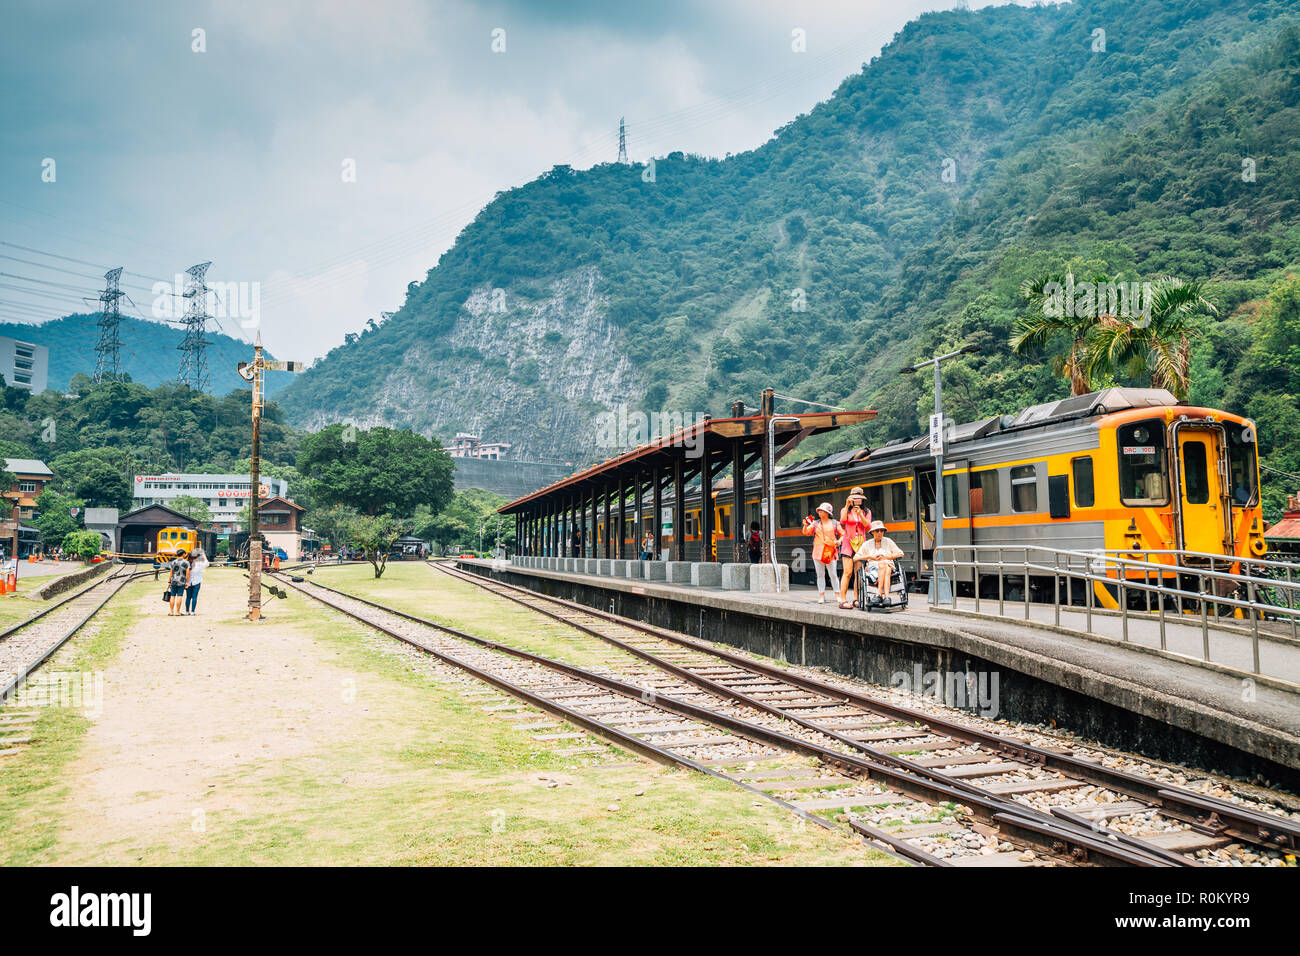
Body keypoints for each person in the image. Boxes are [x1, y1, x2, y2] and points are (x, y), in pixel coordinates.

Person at [837, 487, 872, 609]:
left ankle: (856, 599)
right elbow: (842, 521)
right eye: (854, 499)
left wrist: (860, 515)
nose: (857, 501)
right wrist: (847, 507)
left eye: (859, 499)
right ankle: (843, 600)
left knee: (858, 573)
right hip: (848, 544)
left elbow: (868, 527)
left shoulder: (867, 511)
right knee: (847, 572)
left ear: (862, 500)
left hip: (861, 545)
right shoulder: (845, 510)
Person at [854, 520, 904, 604]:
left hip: (888, 565)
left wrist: (887, 557)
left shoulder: (888, 541)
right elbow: (855, 558)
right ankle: (887, 597)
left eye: (882, 530)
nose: (879, 533)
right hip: (873, 568)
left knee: (884, 564)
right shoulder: (867, 544)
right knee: (884, 566)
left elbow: (901, 553)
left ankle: (879, 594)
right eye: (877, 531)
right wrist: (870, 556)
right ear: (872, 532)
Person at [801, 503, 841, 603]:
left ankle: (837, 595)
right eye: (819, 510)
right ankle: (821, 596)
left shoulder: (835, 523)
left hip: (830, 552)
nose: (819, 512)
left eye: (821, 510)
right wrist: (805, 525)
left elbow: (843, 534)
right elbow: (806, 532)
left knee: (833, 574)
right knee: (820, 575)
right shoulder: (815, 524)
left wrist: (839, 541)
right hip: (818, 552)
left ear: (827, 513)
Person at [166, 548, 190, 617]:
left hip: (173, 581)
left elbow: (171, 573)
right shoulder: (186, 562)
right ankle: (177, 612)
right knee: (179, 596)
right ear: (183, 554)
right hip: (181, 581)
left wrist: (169, 581)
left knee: (172, 596)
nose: (185, 555)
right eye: (185, 554)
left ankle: (171, 612)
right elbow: (188, 573)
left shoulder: (173, 562)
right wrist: (187, 582)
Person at [184, 547, 208, 615]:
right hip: (197, 582)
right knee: (194, 597)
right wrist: (203, 555)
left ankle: (187, 611)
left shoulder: (187, 564)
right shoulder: (198, 564)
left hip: (188, 582)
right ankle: (192, 611)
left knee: (188, 597)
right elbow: (207, 564)